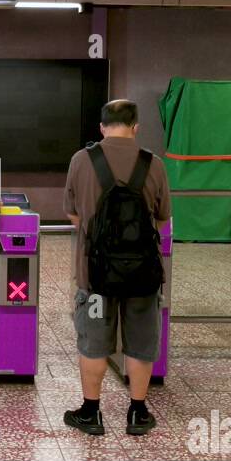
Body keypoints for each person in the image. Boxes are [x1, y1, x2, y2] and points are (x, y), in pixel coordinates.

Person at [63, 100, 171, 436]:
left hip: (95, 277)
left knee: (93, 341)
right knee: (140, 342)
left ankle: (91, 412)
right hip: (142, 276)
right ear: (136, 127)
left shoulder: (82, 161)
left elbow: (73, 215)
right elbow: (163, 218)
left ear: (101, 127)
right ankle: (137, 412)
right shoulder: (154, 164)